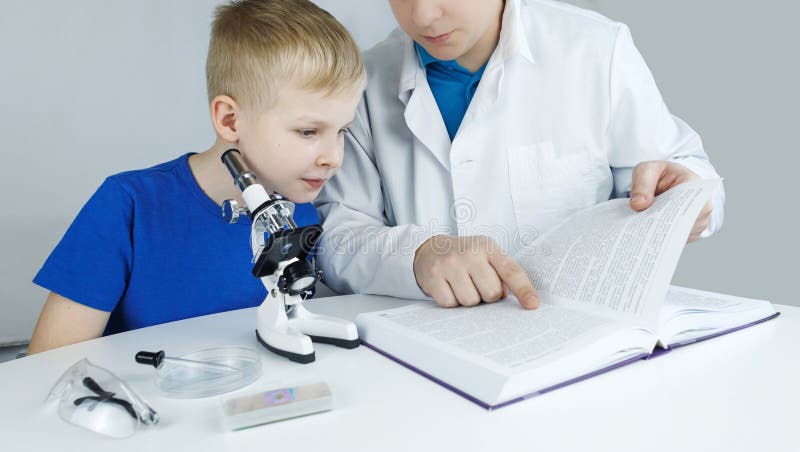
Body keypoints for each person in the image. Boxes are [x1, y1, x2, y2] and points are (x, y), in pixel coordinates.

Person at [315, 0, 724, 310]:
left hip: (576, 339)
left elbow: (686, 172)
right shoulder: (364, 83)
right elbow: (336, 235)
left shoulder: (595, 50)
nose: (423, 15)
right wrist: (417, 257)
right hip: (426, 357)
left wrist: (688, 197)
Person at [27, 0, 366, 354]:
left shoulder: (302, 210)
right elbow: (49, 368)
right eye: (309, 131)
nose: (334, 158)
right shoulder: (128, 206)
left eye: (343, 130)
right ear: (231, 120)